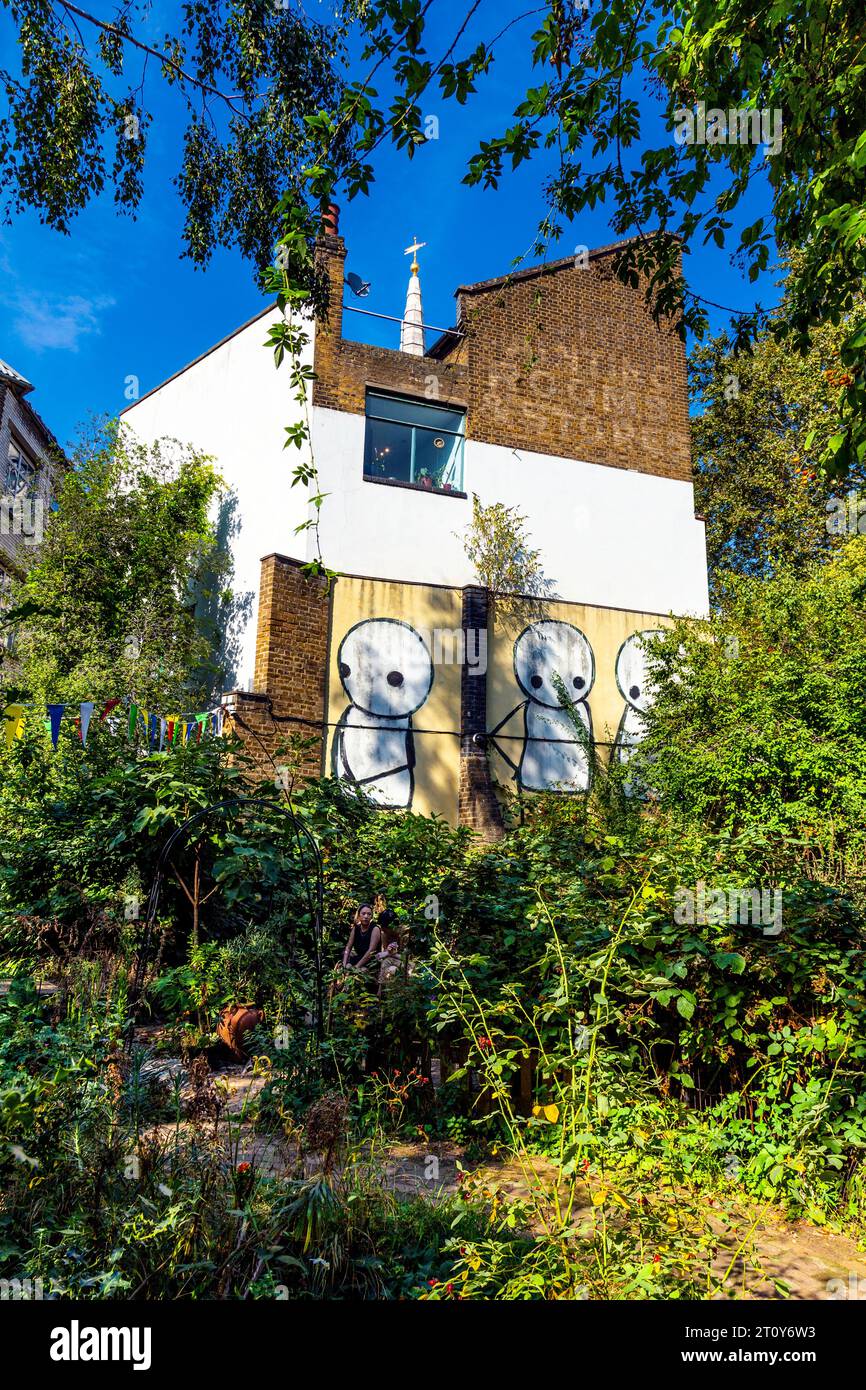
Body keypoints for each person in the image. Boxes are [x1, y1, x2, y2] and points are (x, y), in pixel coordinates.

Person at [342, 903, 381, 974]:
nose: (366, 916)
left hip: (370, 961)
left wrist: (357, 967)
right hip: (359, 957)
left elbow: (371, 951)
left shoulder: (375, 929)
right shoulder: (356, 928)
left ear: (371, 916)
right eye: (363, 913)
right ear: (359, 915)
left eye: (369, 914)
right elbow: (348, 947)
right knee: (347, 967)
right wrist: (344, 965)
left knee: (360, 972)